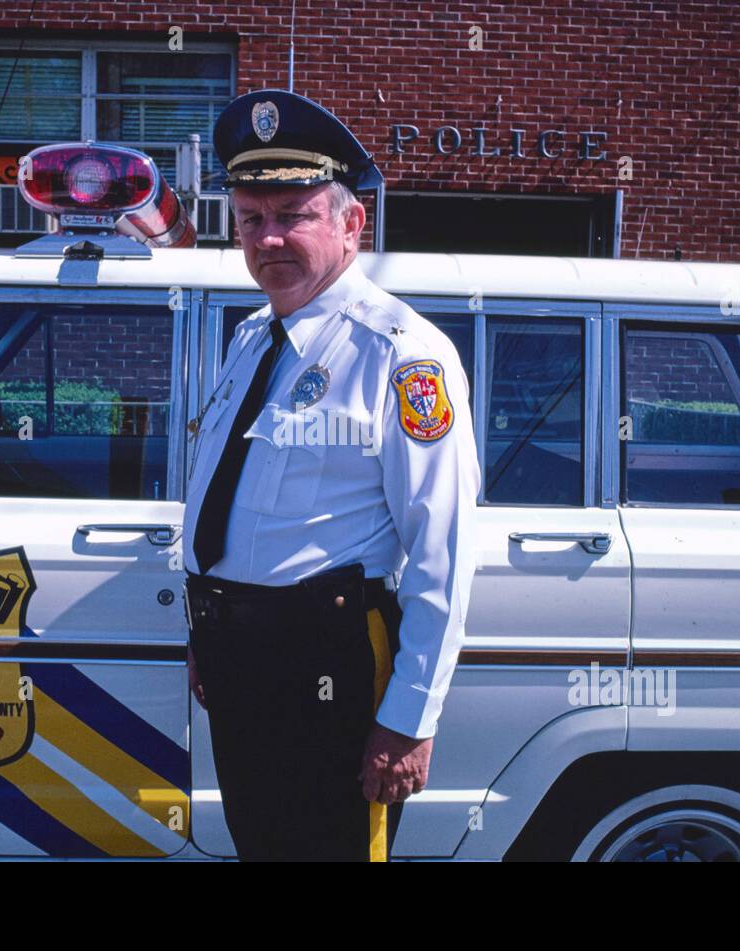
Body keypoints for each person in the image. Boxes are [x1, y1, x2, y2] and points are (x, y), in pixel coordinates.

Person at [182, 89, 479, 861]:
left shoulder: (401, 354)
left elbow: (443, 550)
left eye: (294, 214)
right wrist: (210, 630)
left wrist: (410, 715)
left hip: (332, 667)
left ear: (352, 223)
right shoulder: (253, 338)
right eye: (252, 218)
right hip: (240, 659)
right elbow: (235, 508)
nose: (269, 236)